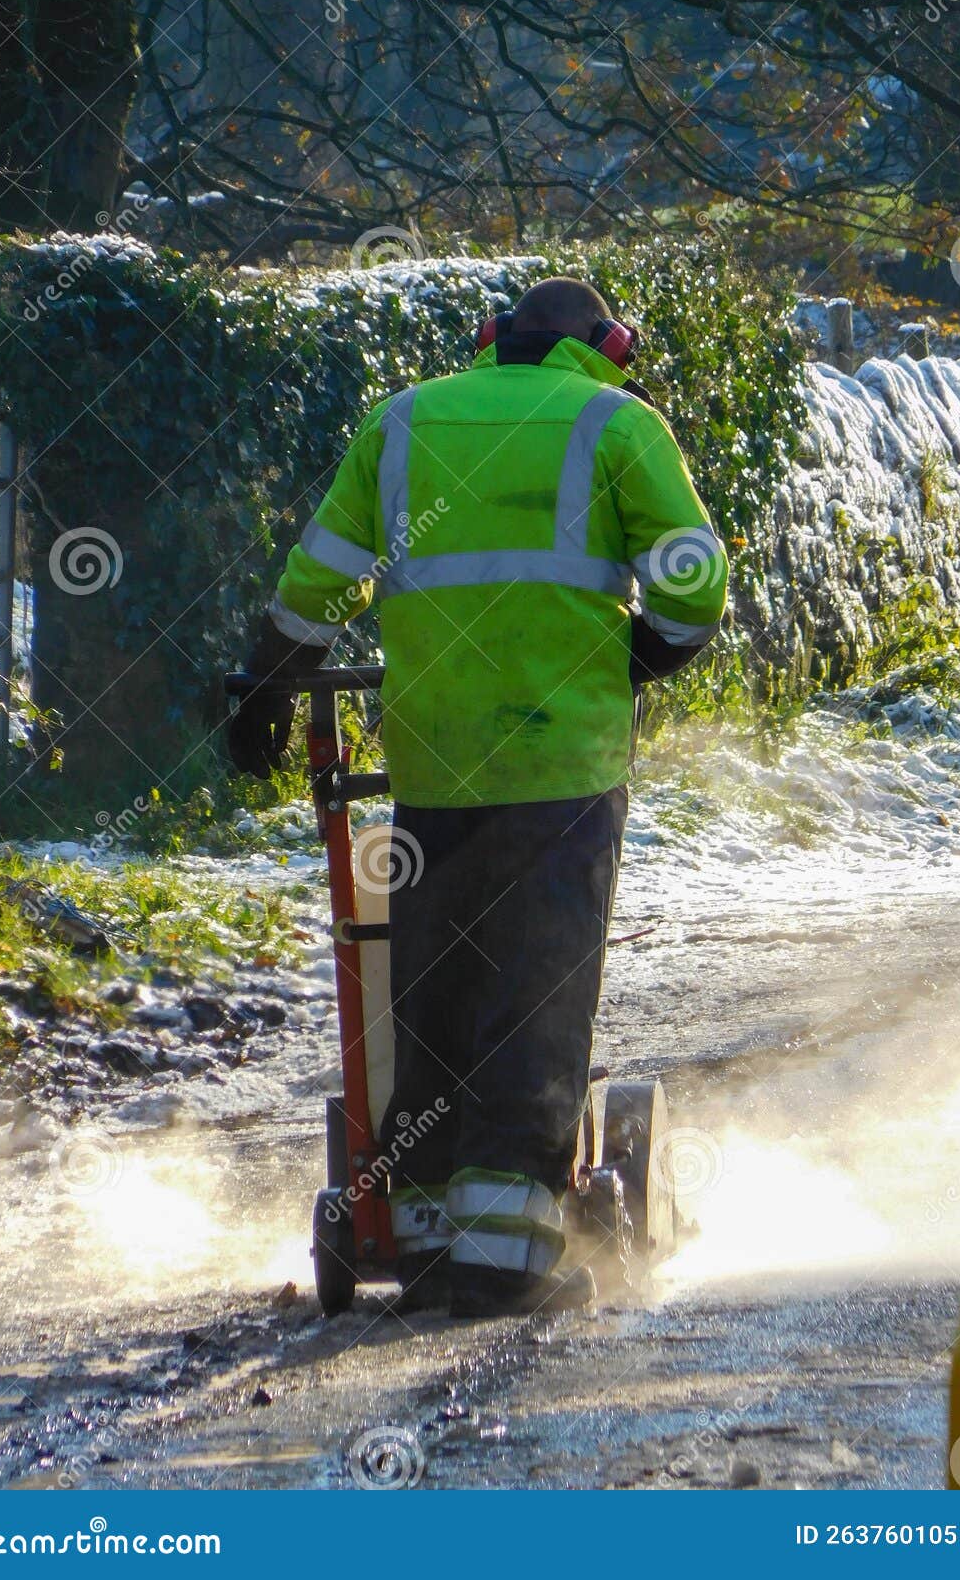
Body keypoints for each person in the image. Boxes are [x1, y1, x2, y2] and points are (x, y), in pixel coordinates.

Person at [228, 277, 728, 1317]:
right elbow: (692, 583)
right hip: (563, 764)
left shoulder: (403, 420)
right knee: (536, 998)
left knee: (437, 990)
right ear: (609, 345)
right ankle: (504, 1260)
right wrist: (628, 656)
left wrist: (272, 686)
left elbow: (320, 573)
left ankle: (414, 1227)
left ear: (492, 341)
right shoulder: (618, 423)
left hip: (433, 759)